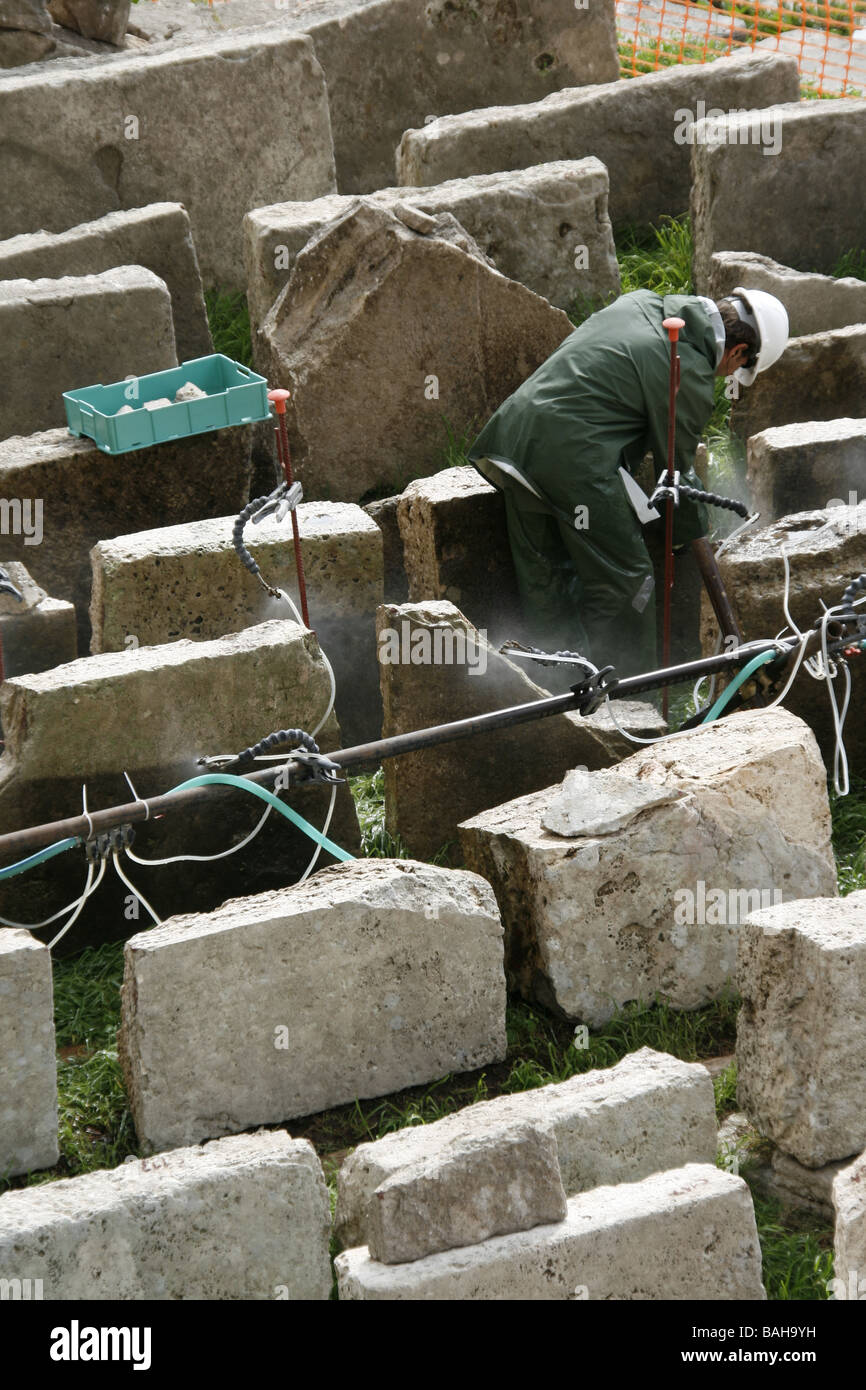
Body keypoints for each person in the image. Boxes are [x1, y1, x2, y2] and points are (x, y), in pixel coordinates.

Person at [469, 286, 789, 678]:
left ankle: (555, 698)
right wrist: (684, 535)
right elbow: (677, 476)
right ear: (739, 351)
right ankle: (631, 703)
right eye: (736, 369)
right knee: (629, 581)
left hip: (514, 441)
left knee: (546, 576)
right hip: (571, 458)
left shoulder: (640, 301)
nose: (729, 376)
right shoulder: (685, 367)